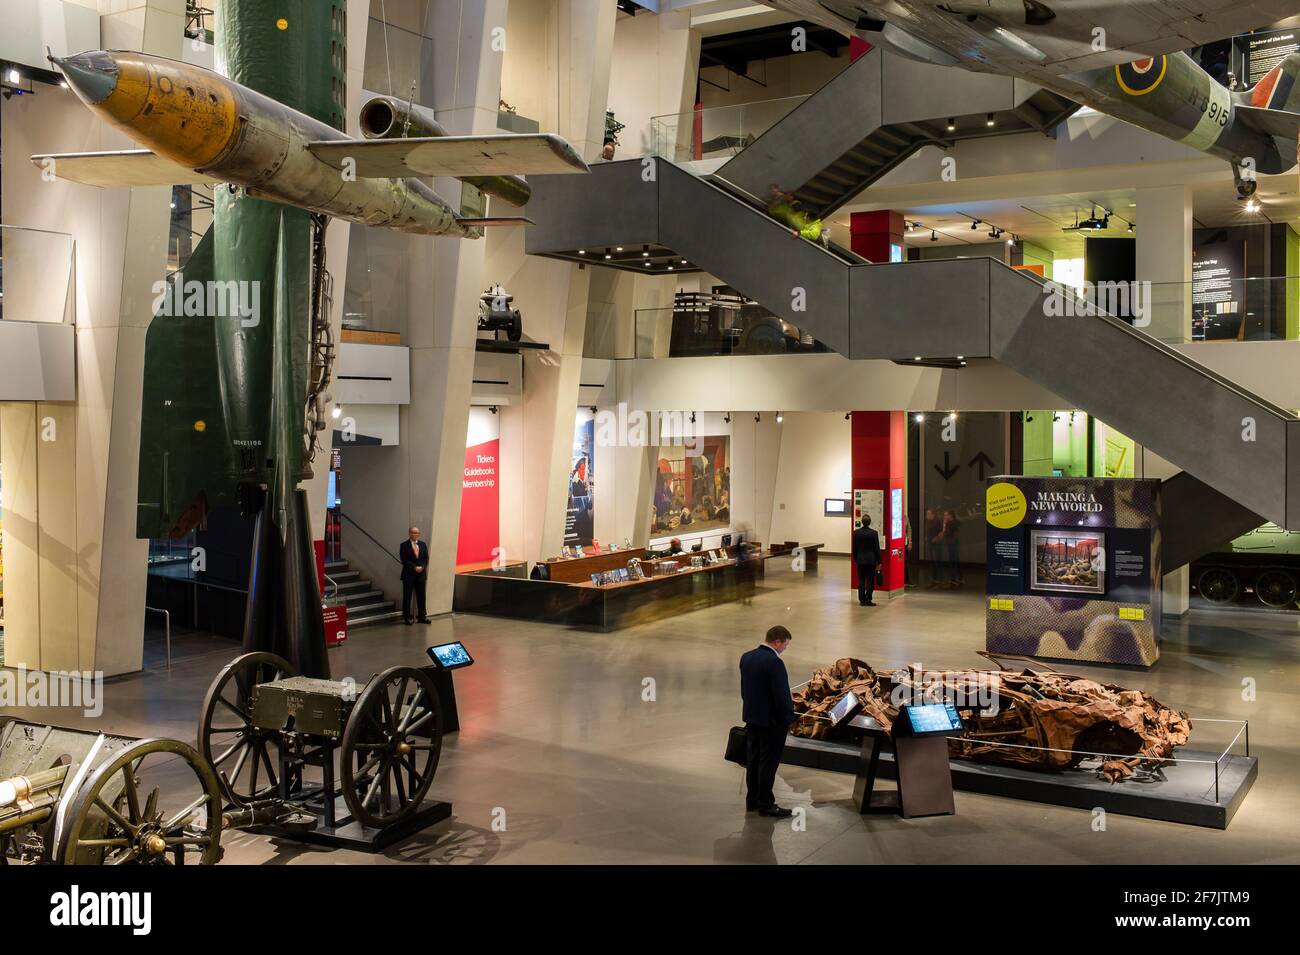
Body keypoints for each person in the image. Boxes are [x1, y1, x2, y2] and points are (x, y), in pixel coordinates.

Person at [738, 626, 797, 817]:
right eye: (785, 645)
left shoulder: (746, 657)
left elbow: (744, 692)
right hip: (772, 723)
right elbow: (781, 696)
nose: (785, 649)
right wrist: (789, 717)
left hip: (752, 718)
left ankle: (752, 800)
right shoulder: (774, 663)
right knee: (768, 764)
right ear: (777, 641)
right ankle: (766, 804)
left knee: (753, 760)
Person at [398, 526, 430, 625]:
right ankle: (407, 618)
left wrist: (422, 567)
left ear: (419, 534)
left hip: (421, 575)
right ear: (409, 533)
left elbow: (426, 558)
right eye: (412, 532)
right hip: (409, 575)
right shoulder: (404, 545)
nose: (414, 534)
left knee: (421, 596)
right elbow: (404, 560)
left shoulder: (423, 544)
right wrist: (414, 567)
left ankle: (422, 617)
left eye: (416, 533)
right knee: (407, 597)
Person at [852, 514, 881, 606]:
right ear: (870, 522)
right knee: (870, 580)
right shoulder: (874, 533)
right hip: (871, 560)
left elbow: (855, 548)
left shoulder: (856, 533)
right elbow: (877, 549)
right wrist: (879, 561)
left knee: (861, 580)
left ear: (862, 522)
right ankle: (868, 598)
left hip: (860, 560)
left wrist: (856, 558)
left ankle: (861, 599)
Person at [941, 510, 963, 589]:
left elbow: (945, 533)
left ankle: (953, 580)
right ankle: (959, 579)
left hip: (952, 544)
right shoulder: (956, 522)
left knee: (953, 561)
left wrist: (945, 524)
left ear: (950, 515)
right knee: (956, 561)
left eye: (946, 515)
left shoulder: (950, 523)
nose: (944, 516)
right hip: (953, 544)